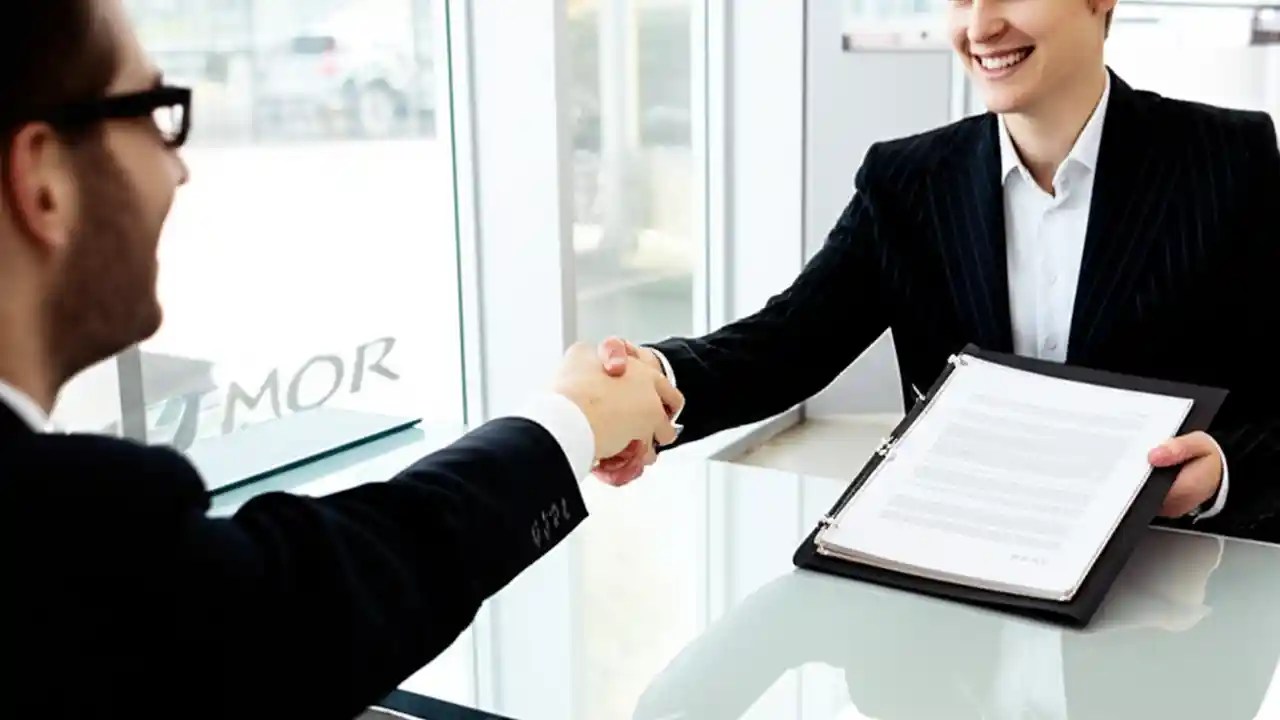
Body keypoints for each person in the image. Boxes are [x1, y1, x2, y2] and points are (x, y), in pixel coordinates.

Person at [0, 2, 681, 718]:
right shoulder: (66, 528)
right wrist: (573, 420)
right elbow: (305, 607)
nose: (178, 170)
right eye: (155, 115)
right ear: (45, 180)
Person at [595, 0, 1280, 540]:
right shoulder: (906, 182)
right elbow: (786, 344)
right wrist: (656, 384)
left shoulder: (1230, 161)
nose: (980, 26)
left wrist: (1223, 472)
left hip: (1177, 583)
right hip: (966, 573)